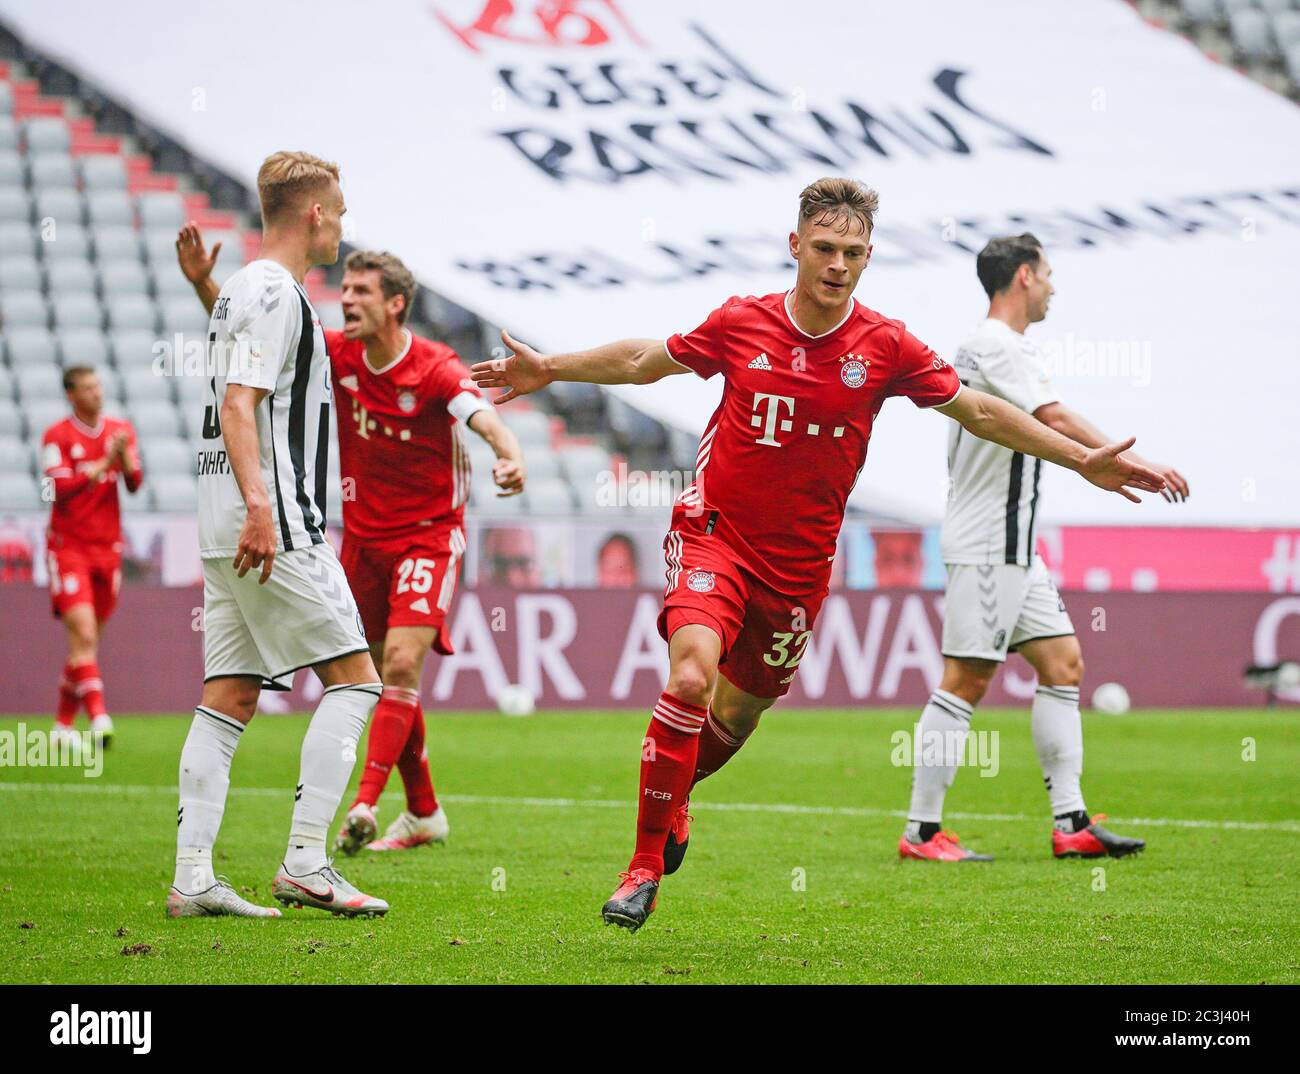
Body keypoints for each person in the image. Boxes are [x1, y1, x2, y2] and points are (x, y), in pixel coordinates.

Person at [470, 177, 1167, 932]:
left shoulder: (887, 345)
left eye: (854, 253)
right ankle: (640, 868)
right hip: (716, 533)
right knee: (693, 673)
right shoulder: (743, 321)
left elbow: (983, 411)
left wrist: (1083, 457)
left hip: (799, 568)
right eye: (826, 249)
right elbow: (647, 359)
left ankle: (676, 801)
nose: (838, 264)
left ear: (869, 257)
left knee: (737, 714)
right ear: (795, 245)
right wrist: (551, 368)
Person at [178, 233, 527, 855]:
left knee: (397, 664)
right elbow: (255, 347)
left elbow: (481, 415)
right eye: (344, 289)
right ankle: (423, 811)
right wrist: (206, 285)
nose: (347, 299)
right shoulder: (339, 354)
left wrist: (509, 453)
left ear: (396, 304)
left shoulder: (437, 367)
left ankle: (364, 804)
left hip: (428, 537)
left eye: (361, 291)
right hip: (362, 541)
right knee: (370, 669)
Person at [897, 233, 1189, 863]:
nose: (1055, 286)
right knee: (966, 679)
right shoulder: (992, 343)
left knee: (1063, 666)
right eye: (1050, 274)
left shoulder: (1000, 348)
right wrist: (1135, 463)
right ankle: (921, 831)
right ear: (1024, 276)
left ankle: (1071, 822)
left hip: (1013, 544)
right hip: (987, 539)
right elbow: (1053, 418)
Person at [168, 150, 386, 919]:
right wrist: (263, 504)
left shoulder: (240, 290)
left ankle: (193, 877)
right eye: (340, 206)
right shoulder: (273, 291)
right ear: (315, 213)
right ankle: (305, 862)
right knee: (358, 681)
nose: (344, 221)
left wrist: (203, 286)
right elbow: (239, 401)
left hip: (218, 519)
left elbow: (243, 372)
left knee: (227, 697)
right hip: (271, 519)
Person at [41, 365, 143, 748]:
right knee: (83, 634)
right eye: (87, 388)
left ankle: (62, 727)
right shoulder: (57, 436)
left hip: (108, 549)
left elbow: (134, 484)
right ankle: (99, 718)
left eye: (98, 386)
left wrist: (125, 459)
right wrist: (103, 465)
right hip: (69, 548)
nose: (96, 393)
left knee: (86, 645)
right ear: (72, 394)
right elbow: (53, 490)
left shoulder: (120, 430)